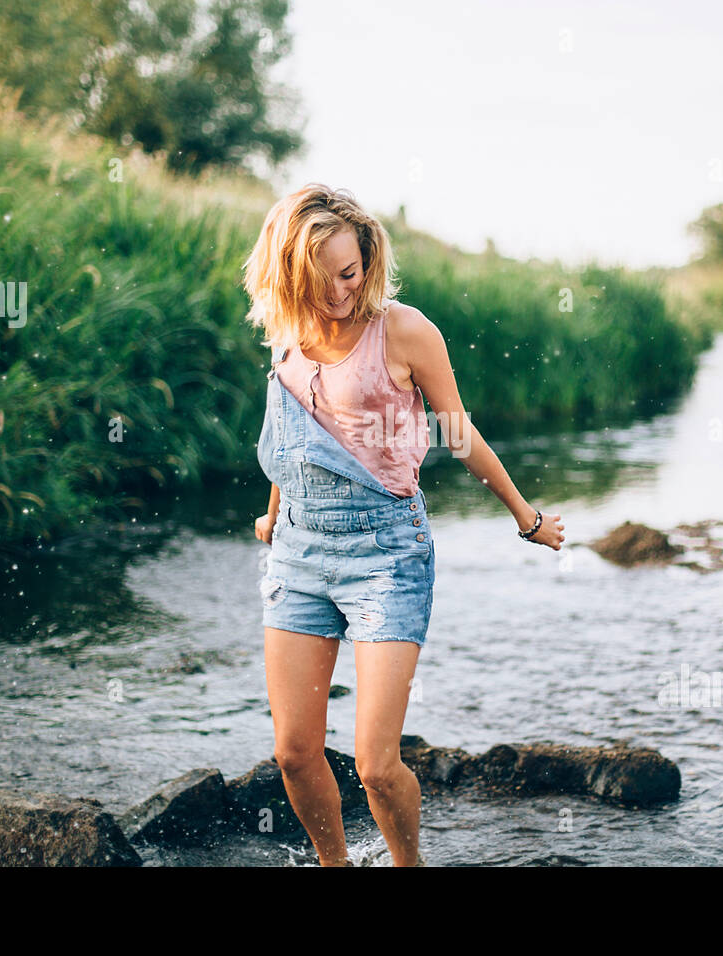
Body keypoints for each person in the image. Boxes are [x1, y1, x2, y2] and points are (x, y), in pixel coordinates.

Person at [243, 184, 565, 866]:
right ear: (290, 273)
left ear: (369, 261)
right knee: (295, 754)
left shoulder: (404, 330)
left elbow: (458, 432)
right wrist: (273, 518)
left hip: (386, 555)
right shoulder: (288, 335)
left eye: (350, 273)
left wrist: (525, 515)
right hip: (298, 553)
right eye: (320, 277)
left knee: (376, 763)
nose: (338, 293)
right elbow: (291, 433)